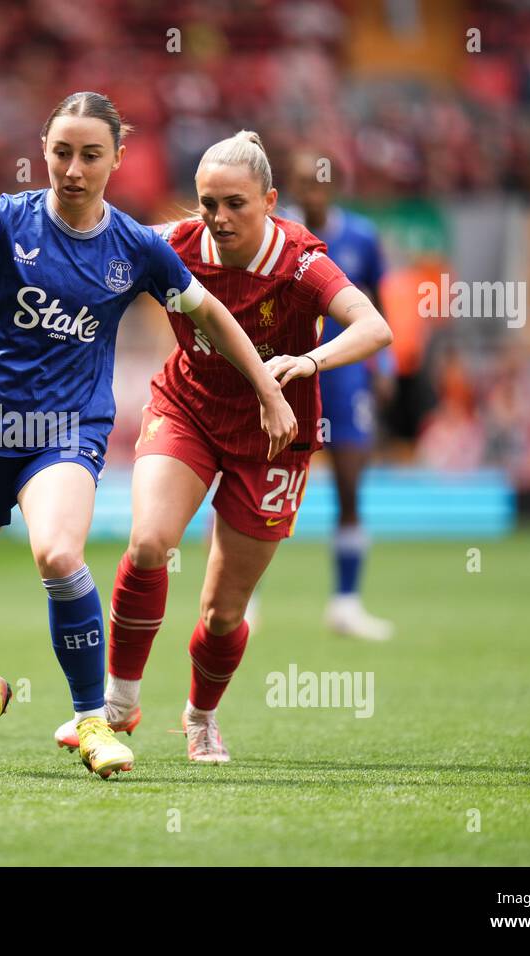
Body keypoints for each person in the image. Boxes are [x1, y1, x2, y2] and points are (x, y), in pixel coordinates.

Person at [0, 93, 297, 779]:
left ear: (116, 160)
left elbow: (213, 314)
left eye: (90, 155)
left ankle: (93, 720)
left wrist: (267, 387)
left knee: (59, 554)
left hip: (64, 432)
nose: (73, 169)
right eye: (62, 152)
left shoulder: (134, 246)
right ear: (44, 149)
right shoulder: (0, 219)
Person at [49, 131, 394, 762]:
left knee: (223, 612)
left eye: (236, 203)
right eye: (208, 202)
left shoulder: (301, 260)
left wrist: (310, 361)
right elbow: (76, 274)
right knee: (150, 543)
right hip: (189, 409)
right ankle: (117, 706)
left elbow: (374, 326)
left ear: (270, 199)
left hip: (274, 436)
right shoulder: (171, 246)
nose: (219, 218)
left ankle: (200, 716)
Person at [284, 149, 395, 640]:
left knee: (350, 487)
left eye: (319, 183)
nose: (312, 192)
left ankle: (346, 603)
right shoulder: (276, 233)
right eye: (304, 182)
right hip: (286, 372)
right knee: (260, 485)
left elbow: (379, 305)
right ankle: (246, 603)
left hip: (345, 376)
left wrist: (385, 364)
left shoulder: (362, 238)